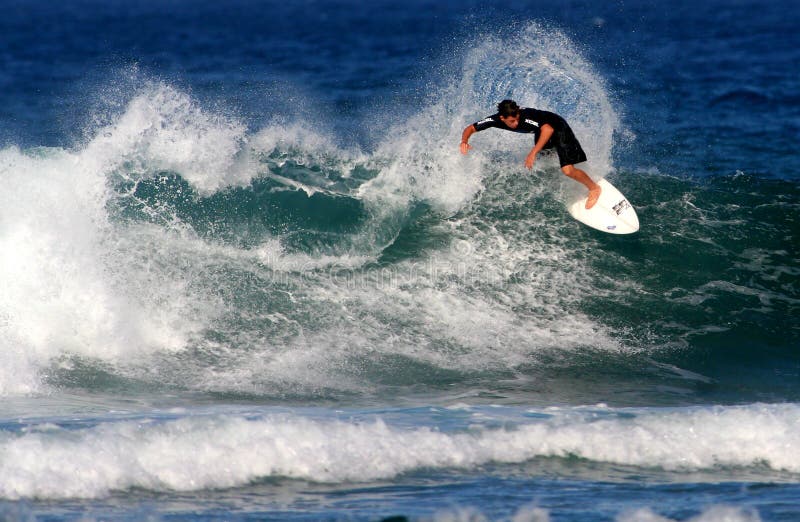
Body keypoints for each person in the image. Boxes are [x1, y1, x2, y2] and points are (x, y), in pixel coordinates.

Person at [460, 99, 601, 209]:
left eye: (516, 119)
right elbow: (470, 128)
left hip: (558, 128)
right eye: (512, 121)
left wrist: (532, 153)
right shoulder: (495, 120)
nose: (515, 123)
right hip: (541, 131)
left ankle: (594, 188)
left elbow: (548, 129)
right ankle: (558, 157)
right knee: (545, 157)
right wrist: (464, 141)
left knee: (567, 170)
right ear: (502, 118)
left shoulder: (525, 118)